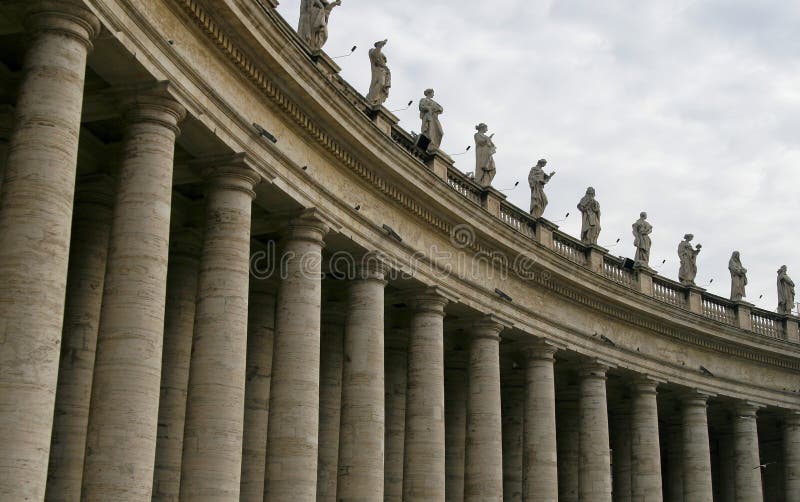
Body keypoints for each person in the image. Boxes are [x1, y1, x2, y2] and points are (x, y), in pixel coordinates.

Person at [366, 40, 390, 106]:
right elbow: (375, 53)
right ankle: (372, 99)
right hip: (378, 70)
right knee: (380, 84)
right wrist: (381, 44)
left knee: (382, 86)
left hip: (384, 71)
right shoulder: (372, 51)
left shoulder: (378, 52)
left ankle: (376, 100)